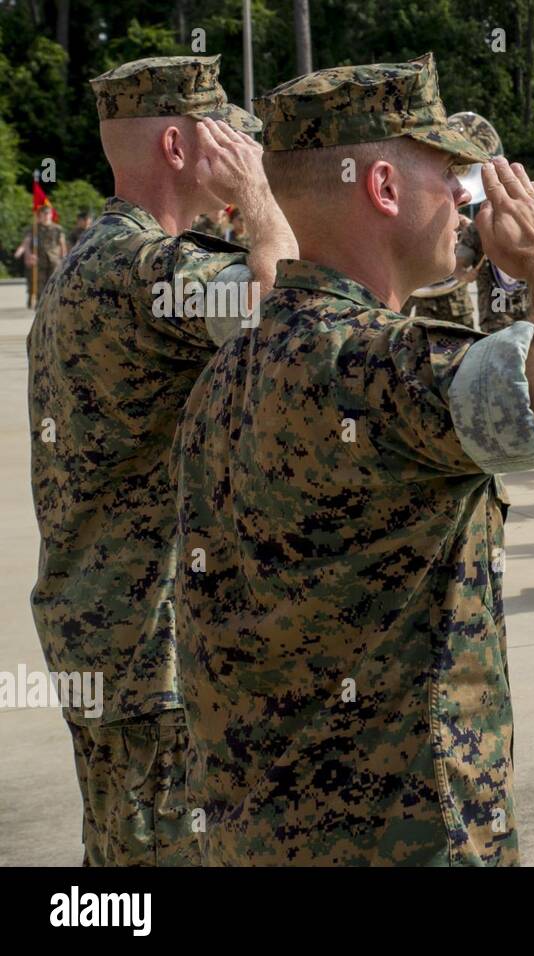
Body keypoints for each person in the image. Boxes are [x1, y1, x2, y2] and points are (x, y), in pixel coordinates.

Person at [174, 55, 534, 866]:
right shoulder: (371, 363)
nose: (464, 197)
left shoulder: (231, 367)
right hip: (395, 834)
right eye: (446, 173)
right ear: (383, 188)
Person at [27, 54, 295, 866]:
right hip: (151, 651)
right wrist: (259, 199)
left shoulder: (98, 258)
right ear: (179, 148)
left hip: (114, 634)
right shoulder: (145, 271)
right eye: (234, 145)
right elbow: (291, 315)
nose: (247, 160)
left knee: (121, 860)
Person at [401, 213, 480, 327]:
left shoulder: (462, 224)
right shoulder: (412, 220)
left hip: (455, 298)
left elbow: (472, 248)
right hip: (423, 299)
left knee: (465, 340)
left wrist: (469, 229)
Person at [15, 203, 67, 306]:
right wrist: (29, 256)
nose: (47, 216)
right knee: (40, 284)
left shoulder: (57, 228)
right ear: (40, 215)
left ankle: (52, 304)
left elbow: (62, 244)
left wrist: (65, 258)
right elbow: (27, 242)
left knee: (54, 282)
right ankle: (40, 304)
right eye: (44, 214)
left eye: (48, 213)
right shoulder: (34, 228)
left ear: (51, 215)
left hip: (54, 260)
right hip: (39, 260)